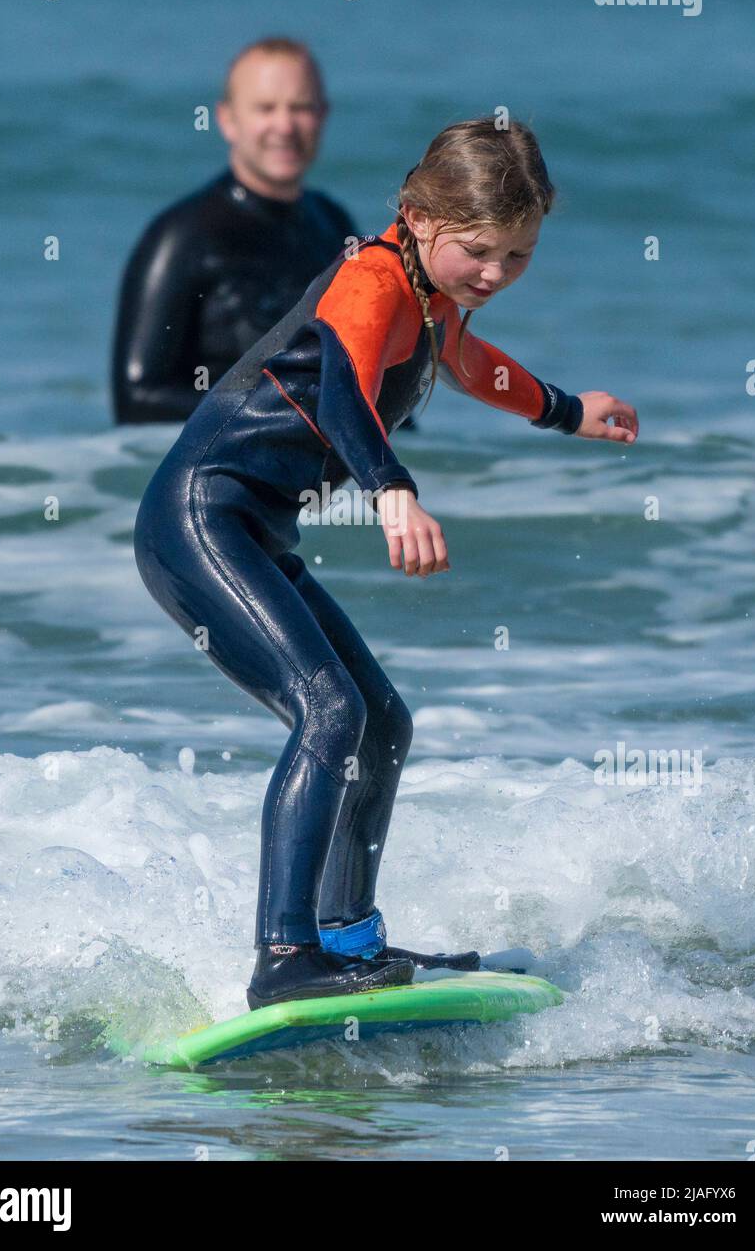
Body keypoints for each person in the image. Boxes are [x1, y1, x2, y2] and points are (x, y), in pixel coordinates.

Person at [132, 116, 639, 1011]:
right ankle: (284, 957)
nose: (495, 274)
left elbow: (467, 362)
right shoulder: (369, 280)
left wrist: (567, 409)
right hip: (199, 518)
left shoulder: (433, 298)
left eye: (518, 257)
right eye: (480, 251)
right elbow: (344, 391)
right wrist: (392, 491)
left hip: (254, 532)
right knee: (328, 710)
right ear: (416, 216)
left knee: (382, 722)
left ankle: (347, 939)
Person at [112, 38, 357, 424]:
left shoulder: (333, 225)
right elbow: (136, 398)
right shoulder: (181, 236)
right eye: (265, 108)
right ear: (227, 120)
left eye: (301, 107)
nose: (285, 125)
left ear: (323, 115)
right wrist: (284, 415)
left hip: (313, 473)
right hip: (213, 475)